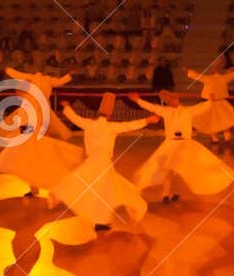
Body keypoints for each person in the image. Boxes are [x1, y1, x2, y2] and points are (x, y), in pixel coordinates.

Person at [51, 94, 156, 230]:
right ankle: (101, 220)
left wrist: (66, 106)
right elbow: (130, 126)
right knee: (105, 192)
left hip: (91, 162)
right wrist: (148, 120)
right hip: (104, 164)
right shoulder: (111, 127)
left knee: (91, 187)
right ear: (110, 114)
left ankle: (98, 219)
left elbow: (74, 118)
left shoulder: (88, 124)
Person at [127, 91, 234, 202]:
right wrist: (138, 100)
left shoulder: (187, 111)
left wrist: (210, 101)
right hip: (170, 144)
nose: (173, 101)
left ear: (177, 99)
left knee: (183, 170)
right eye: (170, 100)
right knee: (167, 170)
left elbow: (201, 108)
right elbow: (152, 107)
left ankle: (176, 192)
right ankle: (165, 194)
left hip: (185, 144)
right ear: (168, 102)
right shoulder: (166, 111)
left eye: (175, 99)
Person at [0, 99, 83, 198]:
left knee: (33, 163)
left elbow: (32, 126)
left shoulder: (32, 106)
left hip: (31, 140)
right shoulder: (30, 106)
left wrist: (28, 130)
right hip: (29, 139)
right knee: (29, 163)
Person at [185, 62, 234, 147]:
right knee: (224, 121)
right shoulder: (223, 78)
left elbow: (196, 76)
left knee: (213, 122)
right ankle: (226, 137)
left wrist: (188, 70)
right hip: (219, 103)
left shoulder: (208, 78)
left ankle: (216, 138)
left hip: (212, 103)